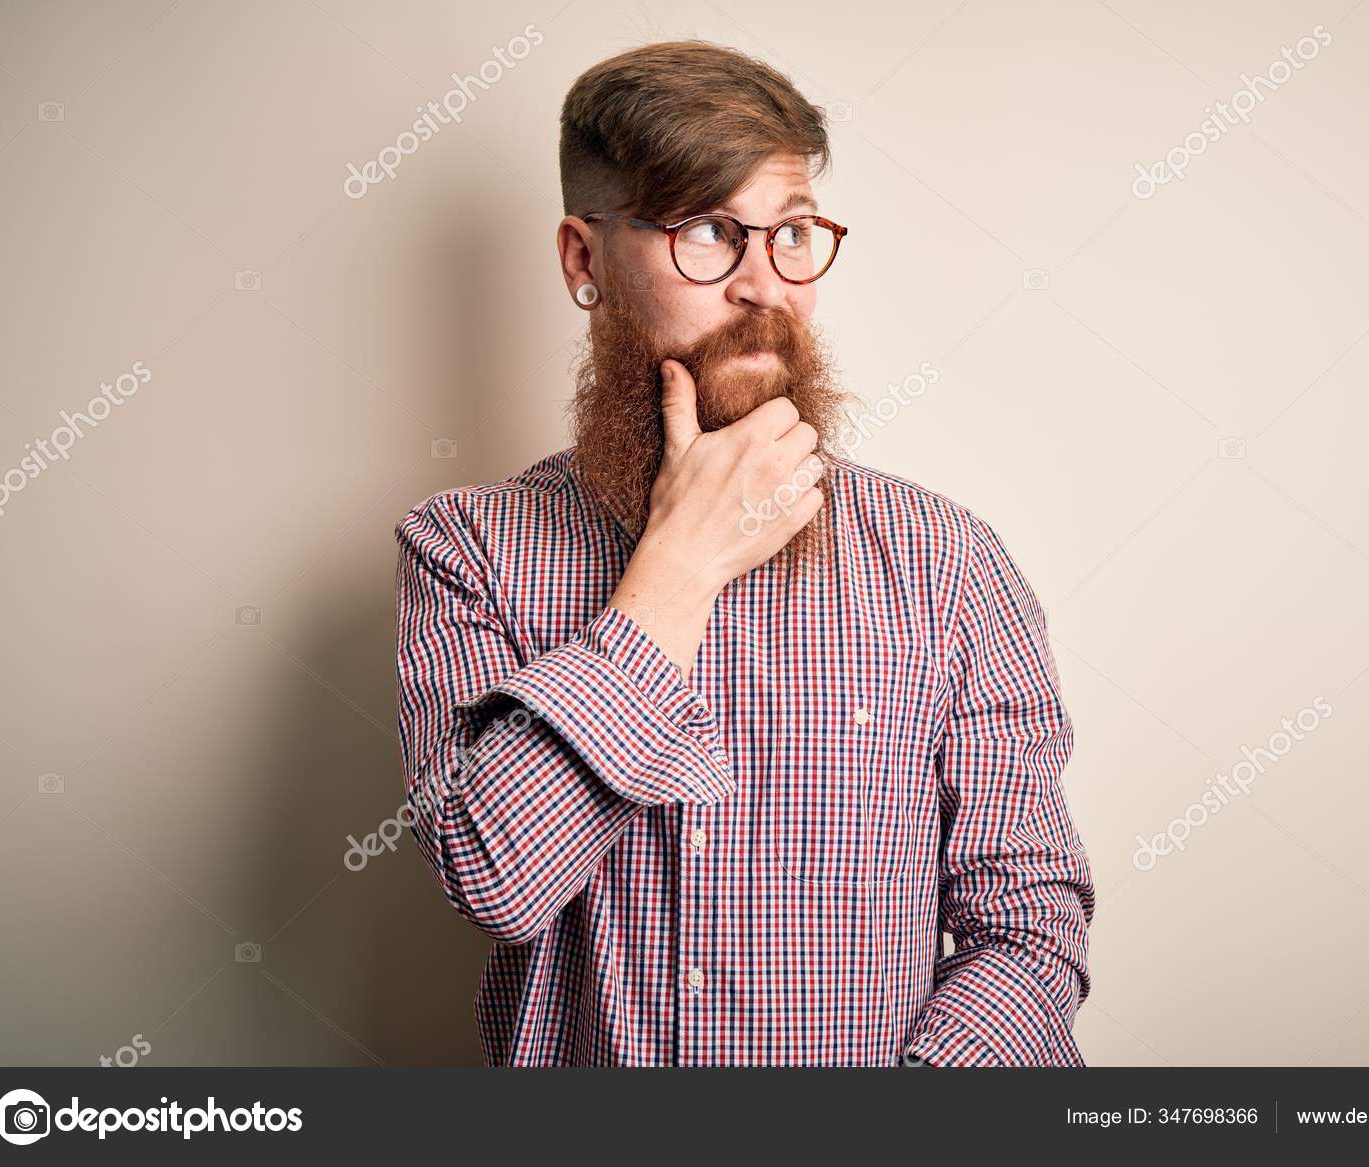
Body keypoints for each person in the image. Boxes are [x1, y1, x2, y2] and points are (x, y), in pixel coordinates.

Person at [393, 39, 1094, 1066]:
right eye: (711, 233)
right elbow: (495, 878)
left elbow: (1029, 930)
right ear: (585, 260)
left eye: (794, 232)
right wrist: (676, 568)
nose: (767, 285)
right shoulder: (467, 550)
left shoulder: (948, 563)